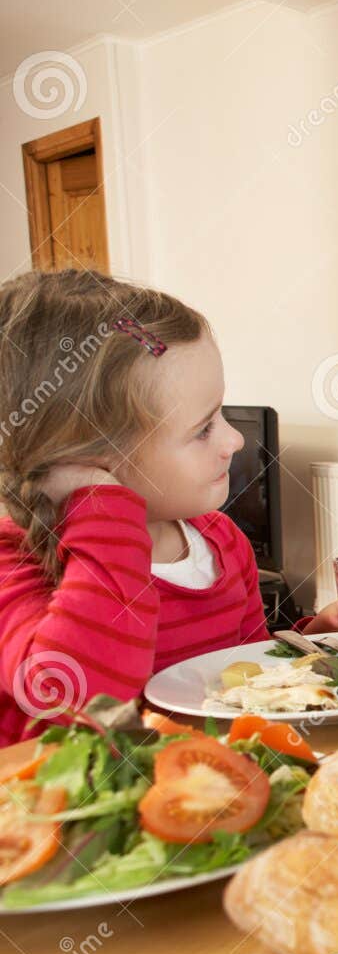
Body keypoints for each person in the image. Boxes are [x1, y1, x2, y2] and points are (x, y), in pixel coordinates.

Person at [0, 269, 265, 743]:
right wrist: (98, 505)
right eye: (202, 428)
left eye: (221, 412)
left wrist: (313, 638)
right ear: (86, 462)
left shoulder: (223, 542)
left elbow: (252, 685)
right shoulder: (12, 560)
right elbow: (84, 702)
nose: (234, 439)